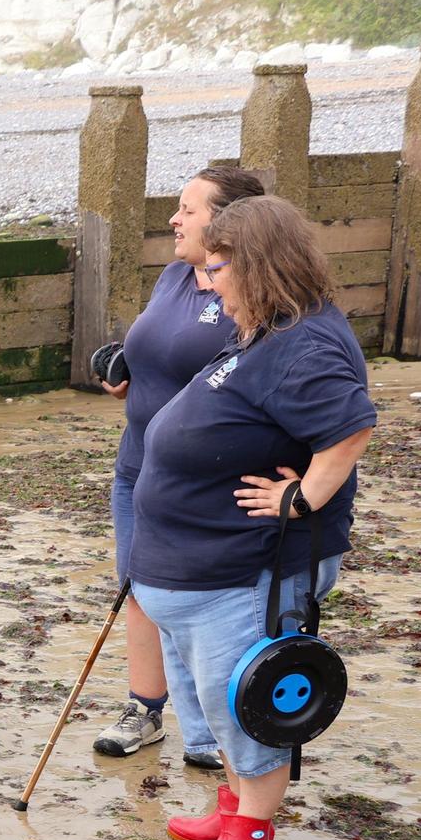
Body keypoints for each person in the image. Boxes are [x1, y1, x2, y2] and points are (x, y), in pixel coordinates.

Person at [130, 195, 375, 840]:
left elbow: (351, 425)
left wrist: (303, 497)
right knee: (214, 694)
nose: (206, 285)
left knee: (244, 697)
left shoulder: (308, 342)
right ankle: (234, 805)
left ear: (258, 265)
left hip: (249, 568)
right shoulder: (273, 328)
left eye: (217, 269)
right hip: (200, 567)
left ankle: (253, 834)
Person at [89, 164, 265, 763]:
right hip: (137, 466)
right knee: (139, 589)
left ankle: (211, 731)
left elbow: (259, 383)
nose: (174, 218)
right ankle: (145, 711)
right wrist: (124, 373)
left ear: (228, 223)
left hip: (204, 478)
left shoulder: (248, 295)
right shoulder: (171, 276)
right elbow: (160, 354)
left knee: (196, 601)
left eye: (189, 209)